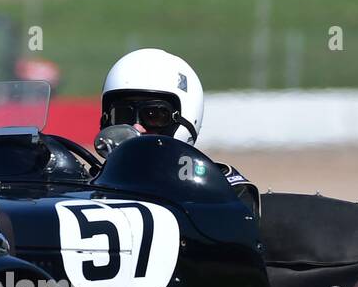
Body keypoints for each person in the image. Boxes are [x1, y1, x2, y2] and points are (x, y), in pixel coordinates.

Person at [95, 48, 254, 206]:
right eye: (123, 115)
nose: (136, 127)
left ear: (185, 117)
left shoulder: (222, 191)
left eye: (153, 115)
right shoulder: (89, 183)